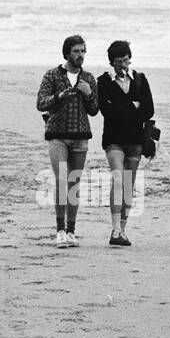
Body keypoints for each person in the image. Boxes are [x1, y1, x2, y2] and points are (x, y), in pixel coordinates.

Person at [36, 35, 99, 246]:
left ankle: (71, 231)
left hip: (80, 136)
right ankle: (60, 230)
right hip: (57, 135)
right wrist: (58, 97)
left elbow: (94, 110)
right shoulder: (53, 75)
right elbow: (40, 103)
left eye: (82, 51)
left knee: (74, 184)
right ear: (67, 53)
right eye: (76, 51)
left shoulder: (89, 78)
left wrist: (89, 94)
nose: (80, 55)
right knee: (62, 180)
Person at [96, 39, 154, 246]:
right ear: (111, 61)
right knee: (118, 179)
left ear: (130, 59)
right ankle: (114, 229)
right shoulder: (103, 81)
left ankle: (122, 229)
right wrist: (132, 106)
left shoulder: (140, 79)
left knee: (129, 184)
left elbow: (148, 110)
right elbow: (106, 111)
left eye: (126, 58)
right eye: (119, 60)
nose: (123, 63)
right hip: (113, 139)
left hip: (135, 140)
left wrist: (122, 107)